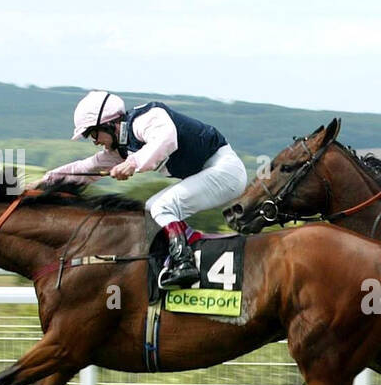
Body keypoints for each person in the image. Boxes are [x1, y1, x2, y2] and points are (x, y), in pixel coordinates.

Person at [40, 91, 247, 289]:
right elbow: (85, 168)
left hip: (225, 170)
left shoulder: (145, 118)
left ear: (110, 123)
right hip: (210, 173)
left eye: (93, 133)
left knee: (162, 207)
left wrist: (134, 163)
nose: (94, 141)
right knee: (150, 209)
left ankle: (185, 264)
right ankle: (181, 255)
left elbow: (167, 139)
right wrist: (45, 182)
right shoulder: (121, 148)